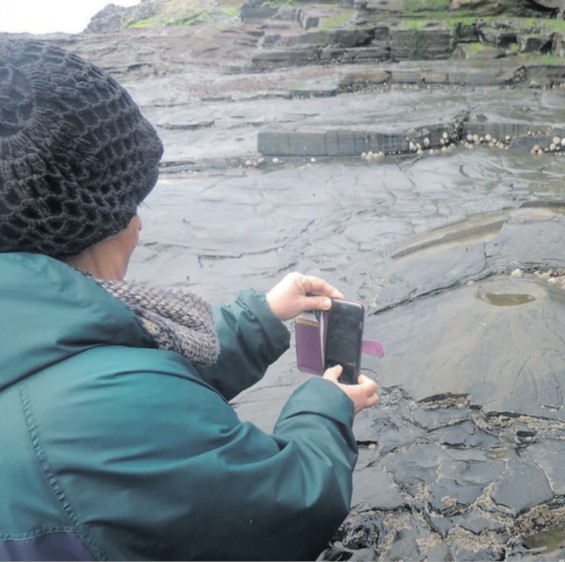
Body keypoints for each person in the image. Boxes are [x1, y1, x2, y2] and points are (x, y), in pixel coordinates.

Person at [0, 37, 380, 560]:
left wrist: (258, 318)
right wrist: (326, 406)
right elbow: (287, 505)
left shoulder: (39, 352)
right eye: (133, 202)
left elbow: (114, 366)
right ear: (104, 221)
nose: (139, 222)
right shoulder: (110, 414)